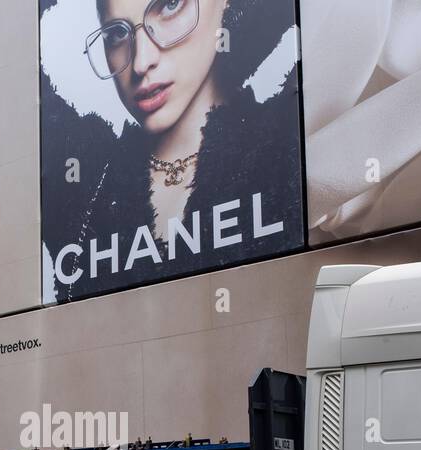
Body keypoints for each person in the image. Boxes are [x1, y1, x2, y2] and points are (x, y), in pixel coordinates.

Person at [41, 0, 302, 302]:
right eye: (116, 34)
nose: (141, 62)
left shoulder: (284, 144)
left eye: (169, 5)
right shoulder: (84, 185)